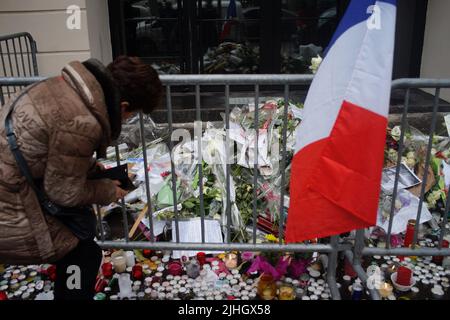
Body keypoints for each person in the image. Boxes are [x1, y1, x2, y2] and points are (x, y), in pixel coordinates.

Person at [0, 56, 163, 299]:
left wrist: (87, 167)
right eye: (132, 115)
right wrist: (108, 191)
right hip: (11, 206)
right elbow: (63, 192)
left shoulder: (63, 89)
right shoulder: (82, 121)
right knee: (82, 255)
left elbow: (48, 150)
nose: (128, 120)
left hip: (15, 188)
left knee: (81, 251)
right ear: (123, 107)